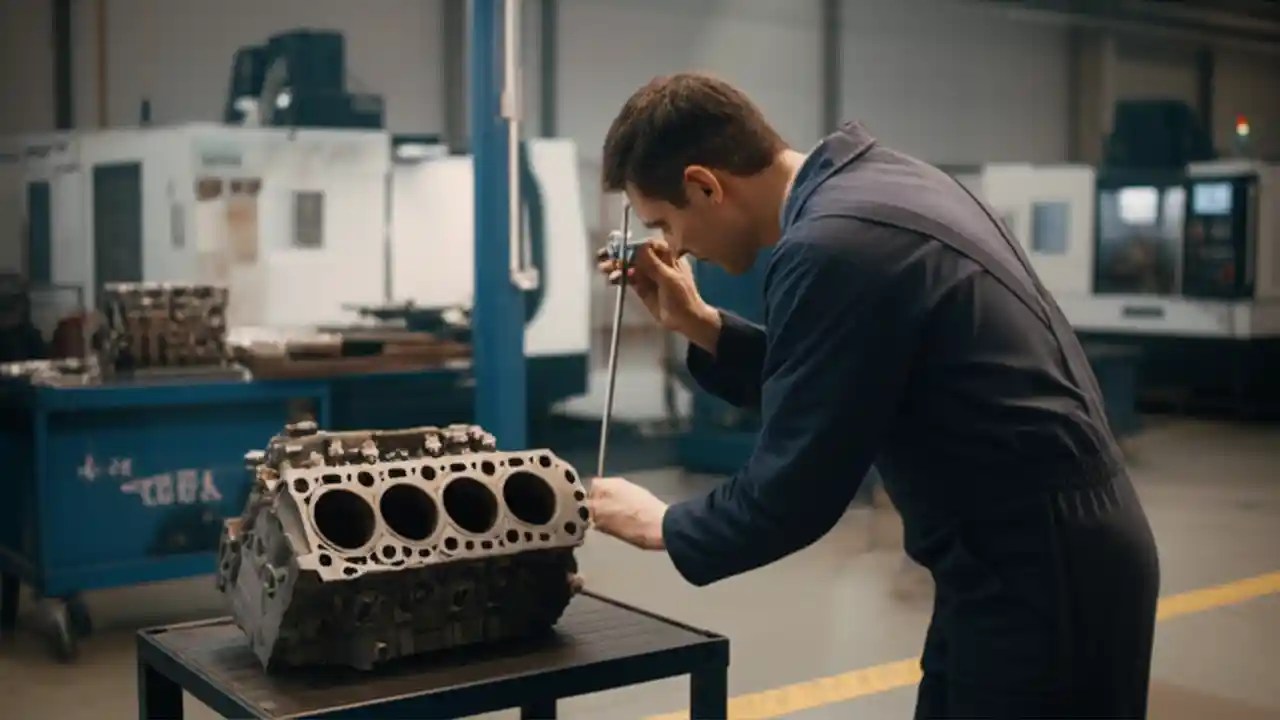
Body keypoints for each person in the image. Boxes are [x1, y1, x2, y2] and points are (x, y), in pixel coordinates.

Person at [586, 73, 1161, 719]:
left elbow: (793, 494)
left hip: (1042, 568)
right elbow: (839, 382)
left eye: (667, 223)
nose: (676, 248)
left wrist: (659, 523)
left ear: (704, 185)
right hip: (1023, 555)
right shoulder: (879, 185)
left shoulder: (833, 244)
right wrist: (701, 324)